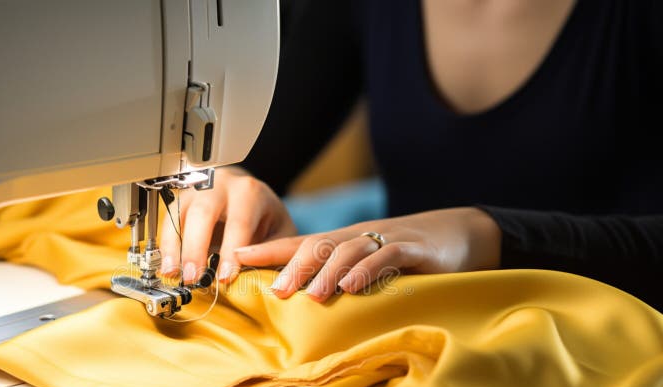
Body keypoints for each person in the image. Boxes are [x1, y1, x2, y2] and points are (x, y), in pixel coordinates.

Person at [160, 0, 663, 311]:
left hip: (611, 362)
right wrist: (226, 185)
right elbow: (261, 153)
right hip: (422, 337)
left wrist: (486, 235)